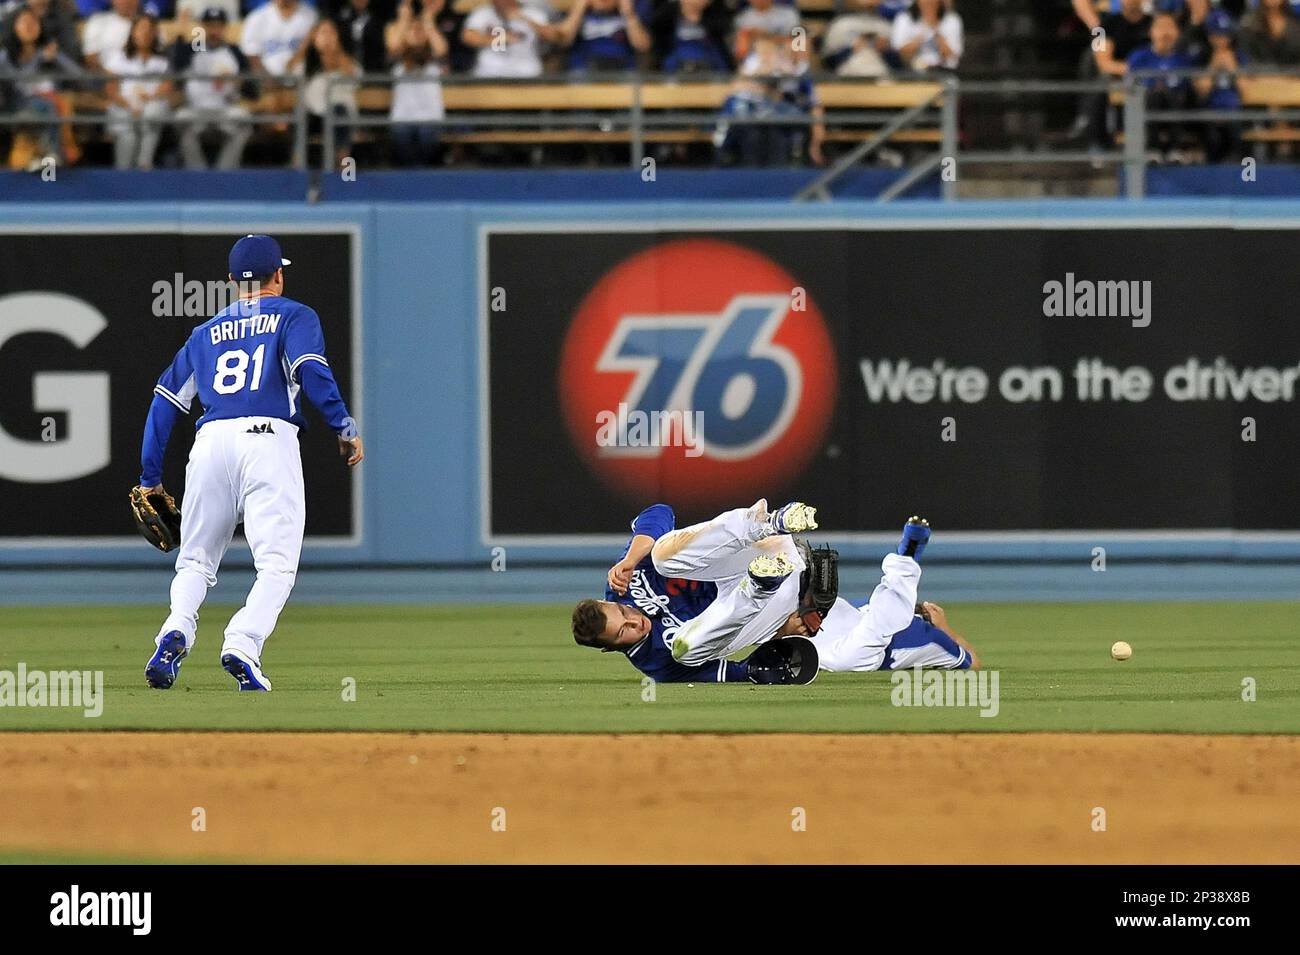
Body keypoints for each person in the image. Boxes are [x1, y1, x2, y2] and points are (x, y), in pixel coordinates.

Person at [140, 234, 364, 693]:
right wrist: (342, 425)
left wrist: (149, 477)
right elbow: (310, 371)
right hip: (267, 439)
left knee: (196, 560)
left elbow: (164, 403)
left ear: (230, 281)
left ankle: (174, 631)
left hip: (211, 441)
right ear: (278, 276)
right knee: (277, 565)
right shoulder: (295, 314)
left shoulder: (204, 334)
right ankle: (243, 642)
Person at [572, 501, 975, 682]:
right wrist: (780, 647)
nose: (633, 621)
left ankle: (767, 521)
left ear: (609, 601)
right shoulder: (655, 663)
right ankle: (904, 560)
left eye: (621, 613)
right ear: (611, 648)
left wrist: (632, 556)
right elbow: (737, 670)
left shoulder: (623, 581)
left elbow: (659, 512)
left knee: (660, 554)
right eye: (622, 631)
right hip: (774, 603)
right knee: (683, 646)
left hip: (765, 549)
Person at [0, 3, 83, 170]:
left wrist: (57, 57)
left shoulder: (47, 52)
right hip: (18, 109)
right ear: (13, 26)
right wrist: (39, 59)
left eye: (34, 22)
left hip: (52, 116)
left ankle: (48, 169)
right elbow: (18, 83)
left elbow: (79, 75)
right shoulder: (5, 56)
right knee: (49, 105)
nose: (30, 26)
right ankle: (54, 154)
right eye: (24, 22)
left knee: (56, 104)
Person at [171, 7, 254, 169]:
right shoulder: (196, 47)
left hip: (225, 109)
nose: (214, 30)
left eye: (218, 26)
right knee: (180, 118)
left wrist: (238, 82)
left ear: (225, 28)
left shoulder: (234, 51)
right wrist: (181, 33)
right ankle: (198, 171)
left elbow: (252, 90)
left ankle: (225, 170)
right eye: (209, 26)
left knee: (245, 119)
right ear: (203, 27)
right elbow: (177, 65)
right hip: (196, 109)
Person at [103, 13, 171, 169]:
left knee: (153, 113)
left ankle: (144, 164)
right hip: (124, 106)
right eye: (141, 29)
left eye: (150, 29)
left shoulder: (162, 61)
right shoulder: (118, 58)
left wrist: (150, 98)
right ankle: (123, 173)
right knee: (128, 134)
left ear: (155, 34)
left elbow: (166, 87)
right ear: (133, 32)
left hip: (150, 107)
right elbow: (111, 90)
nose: (145, 33)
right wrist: (129, 105)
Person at [387, 0, 446, 165]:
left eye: (421, 31)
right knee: (401, 137)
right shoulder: (397, 60)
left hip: (430, 117)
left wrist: (428, 24)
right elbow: (393, 46)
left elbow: (441, 49)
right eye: (413, 30)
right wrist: (404, 21)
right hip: (402, 118)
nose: (417, 32)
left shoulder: (435, 59)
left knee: (427, 136)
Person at [461, 0, 560, 78]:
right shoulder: (483, 13)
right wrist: (500, 38)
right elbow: (468, 37)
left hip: (527, 73)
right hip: (489, 73)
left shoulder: (532, 13)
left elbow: (553, 37)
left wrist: (525, 19)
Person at [554, 0, 650, 72]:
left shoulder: (633, 10)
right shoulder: (577, 10)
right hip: (583, 69)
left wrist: (629, 14)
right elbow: (564, 41)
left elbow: (642, 46)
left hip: (623, 69)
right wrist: (579, 9)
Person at [650, 0, 732, 74]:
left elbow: (723, 32)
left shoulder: (716, 13)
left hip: (712, 68)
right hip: (674, 68)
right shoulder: (668, 12)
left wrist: (698, 16)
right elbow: (656, 32)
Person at [821, 0, 893, 78]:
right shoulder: (840, 24)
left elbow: (899, 65)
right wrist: (851, 49)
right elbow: (828, 63)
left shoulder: (885, 26)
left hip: (881, 77)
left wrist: (885, 51)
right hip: (847, 78)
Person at [890, 0, 962, 72]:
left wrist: (936, 30)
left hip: (944, 71)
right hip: (912, 71)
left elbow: (952, 55)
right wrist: (922, 34)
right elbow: (901, 52)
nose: (929, 2)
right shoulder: (904, 18)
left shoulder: (951, 19)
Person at [1239, 0, 1300, 65]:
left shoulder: (1296, 24)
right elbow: (1251, 58)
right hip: (1260, 72)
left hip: (1293, 71)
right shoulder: (1250, 26)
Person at [82, 0, 138, 70]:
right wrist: (108, 77)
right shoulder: (97, 21)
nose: (126, 2)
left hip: (144, 76)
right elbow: (90, 57)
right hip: (105, 77)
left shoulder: (148, 24)